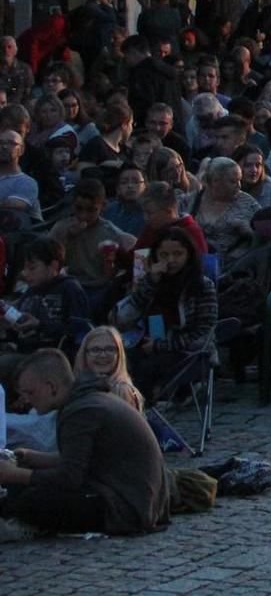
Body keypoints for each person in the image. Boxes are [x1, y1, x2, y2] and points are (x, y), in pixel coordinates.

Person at [0, 349, 170, 539]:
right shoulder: (87, 400)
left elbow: (69, 478)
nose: (26, 400)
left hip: (127, 508)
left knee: (31, 500)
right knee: (20, 489)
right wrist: (31, 457)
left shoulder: (81, 411)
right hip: (139, 500)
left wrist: (14, 474)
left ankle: (24, 525)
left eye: (30, 392)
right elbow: (82, 461)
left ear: (52, 387)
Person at [113, 224, 216, 400]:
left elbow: (203, 333)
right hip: (146, 342)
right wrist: (151, 282)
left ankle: (145, 410)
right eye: (164, 255)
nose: (171, 260)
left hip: (187, 351)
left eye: (177, 254)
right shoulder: (152, 281)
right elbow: (124, 317)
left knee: (148, 367)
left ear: (188, 255)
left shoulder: (202, 286)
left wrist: (162, 345)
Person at [72, 326, 143, 412]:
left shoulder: (122, 390)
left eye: (110, 349)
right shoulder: (76, 388)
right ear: (84, 354)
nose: (103, 355)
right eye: (95, 350)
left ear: (119, 354)